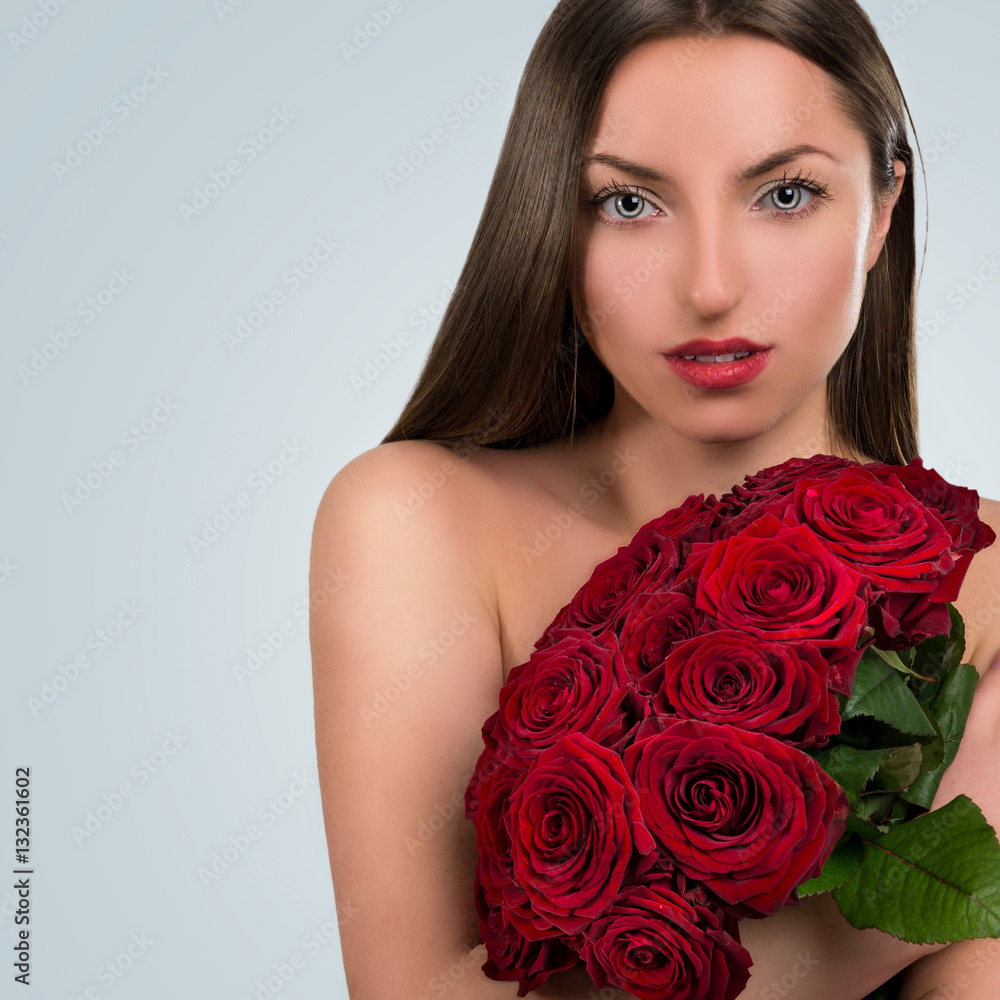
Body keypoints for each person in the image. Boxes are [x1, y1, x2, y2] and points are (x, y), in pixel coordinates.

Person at [309, 1, 1000, 997]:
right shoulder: (415, 519)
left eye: (785, 193)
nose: (709, 286)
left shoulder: (984, 580)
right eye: (630, 203)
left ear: (883, 206)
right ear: (552, 213)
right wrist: (932, 860)